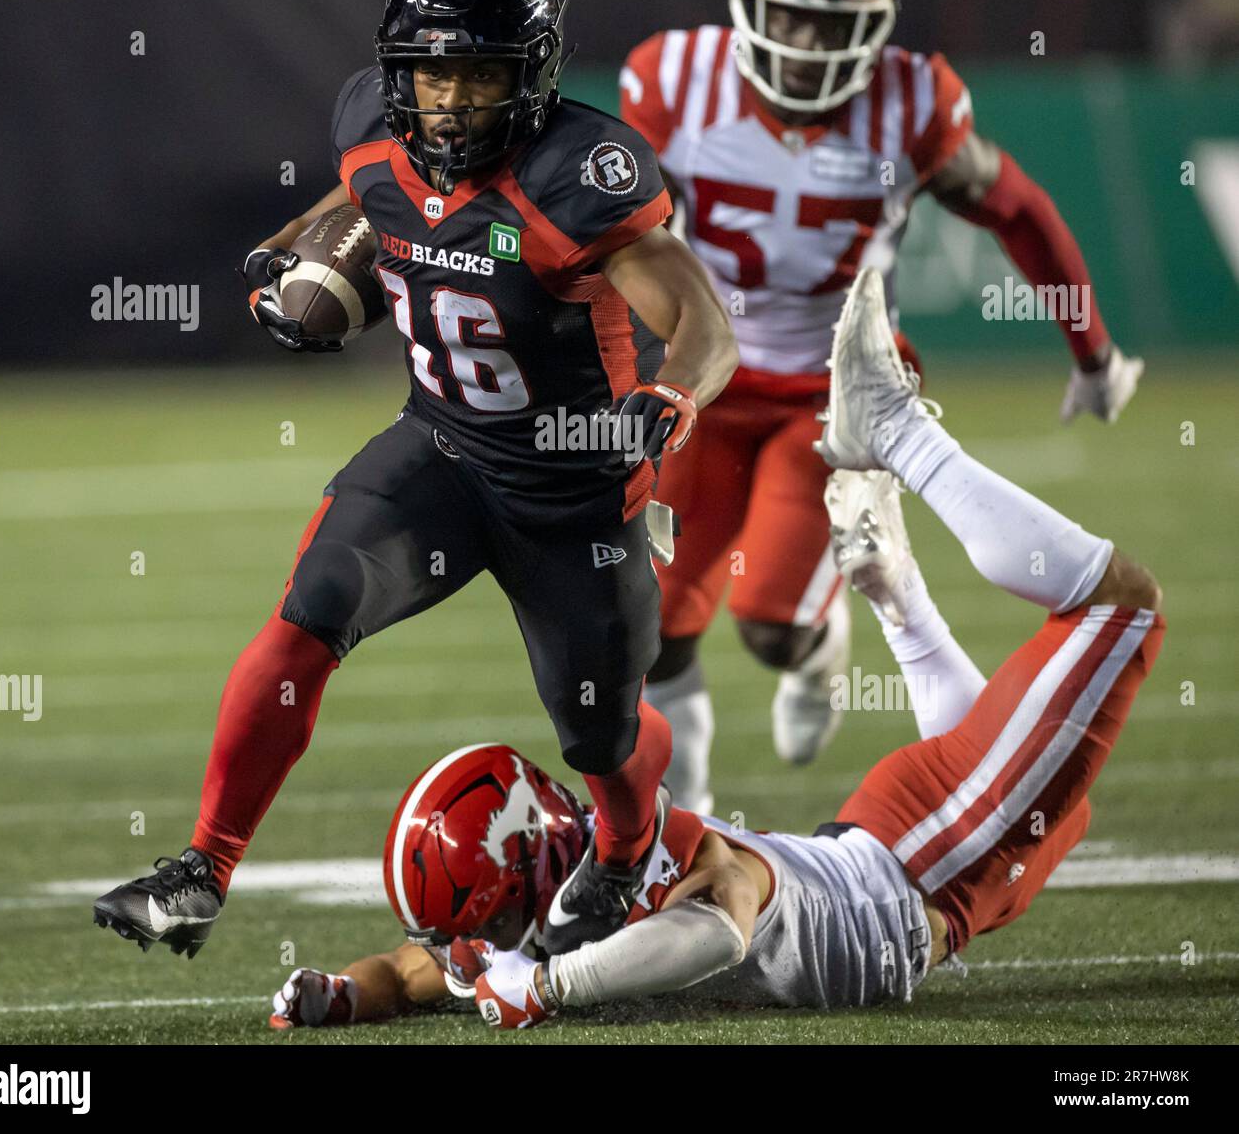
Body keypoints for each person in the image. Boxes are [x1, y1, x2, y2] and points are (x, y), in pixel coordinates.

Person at [267, 266, 1164, 1030]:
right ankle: (896, 592)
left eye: (494, 915)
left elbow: (724, 919)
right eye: (486, 924)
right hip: (888, 850)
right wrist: (342, 994)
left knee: (1124, 608)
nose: (491, 939)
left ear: (532, 854)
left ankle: (898, 434)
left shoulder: (625, 855)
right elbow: (414, 969)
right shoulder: (510, 918)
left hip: (908, 873)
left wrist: (551, 983)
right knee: (1059, 815)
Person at [92, 0, 737, 961]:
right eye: (433, 72)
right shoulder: (366, 118)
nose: (451, 99)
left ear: (528, 77)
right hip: (440, 451)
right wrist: (286, 249)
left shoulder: (579, 173)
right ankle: (204, 868)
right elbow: (363, 191)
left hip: (574, 490)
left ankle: (623, 848)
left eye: (480, 72)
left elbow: (703, 317)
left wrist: (672, 390)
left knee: (598, 733)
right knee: (307, 619)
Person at [619, 0, 1145, 811]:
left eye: (834, 28)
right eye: (791, 20)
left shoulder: (911, 100)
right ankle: (676, 822)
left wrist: (1092, 349)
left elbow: (1013, 204)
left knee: (771, 624)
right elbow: (609, 229)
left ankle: (815, 647)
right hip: (703, 374)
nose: (811, 49)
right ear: (745, 4)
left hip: (835, 394)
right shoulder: (672, 80)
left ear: (875, 29)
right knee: (650, 624)